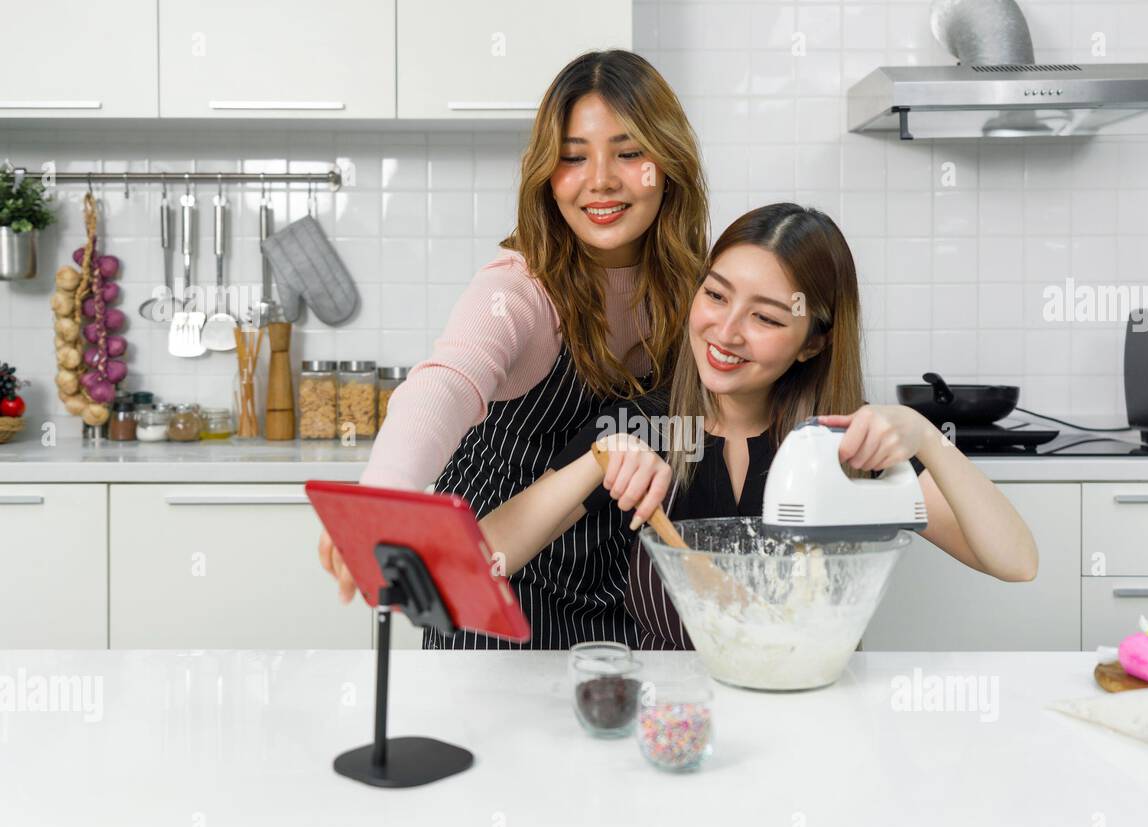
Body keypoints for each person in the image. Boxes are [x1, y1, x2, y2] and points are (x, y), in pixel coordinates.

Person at [476, 203, 1039, 648]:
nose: (726, 331)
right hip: (675, 724)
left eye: (766, 317)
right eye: (716, 295)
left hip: (810, 715)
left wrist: (926, 438)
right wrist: (597, 462)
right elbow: (484, 558)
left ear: (813, 341)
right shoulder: (644, 424)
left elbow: (1015, 562)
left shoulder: (845, 447)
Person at [317, 50, 709, 648]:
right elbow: (446, 382)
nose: (600, 179)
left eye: (630, 154)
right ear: (547, 175)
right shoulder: (520, 287)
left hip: (617, 590)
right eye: (573, 158)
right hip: (492, 583)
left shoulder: (696, 293)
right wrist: (384, 497)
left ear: (669, 162)